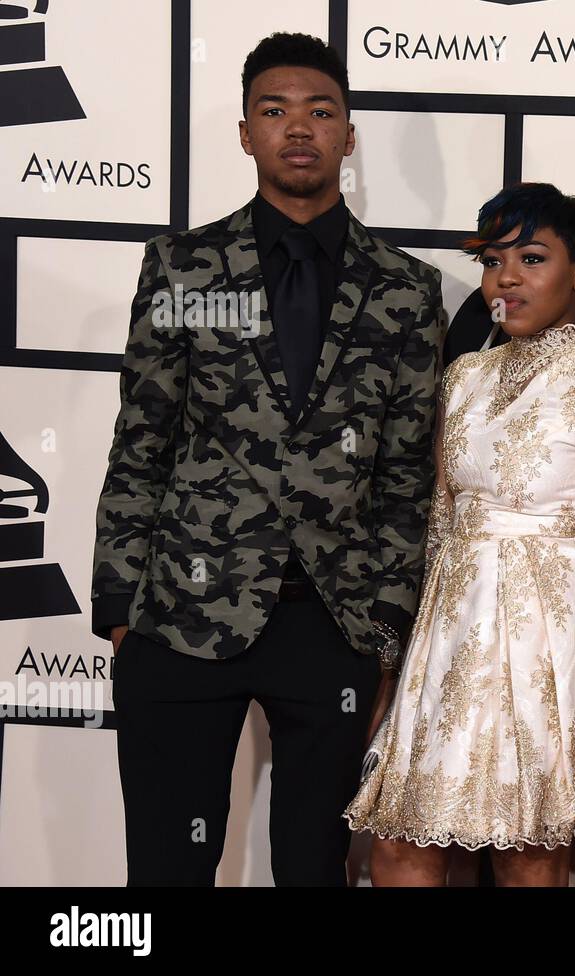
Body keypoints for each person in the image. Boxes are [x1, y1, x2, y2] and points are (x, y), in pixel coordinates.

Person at [90, 32, 446, 885]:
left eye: (321, 112)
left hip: (331, 625)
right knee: (168, 869)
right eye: (275, 110)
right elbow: (142, 438)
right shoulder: (183, 266)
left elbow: (404, 476)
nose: (299, 128)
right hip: (181, 613)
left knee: (315, 869)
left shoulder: (406, 287)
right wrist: (118, 607)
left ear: (348, 136)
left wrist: (384, 629)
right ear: (246, 133)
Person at [345, 182, 575, 887]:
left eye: (532, 258)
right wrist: (394, 677)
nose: (506, 277)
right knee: (399, 851)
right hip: (447, 644)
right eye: (492, 260)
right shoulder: (462, 379)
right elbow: (439, 531)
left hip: (543, 647)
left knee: (528, 861)